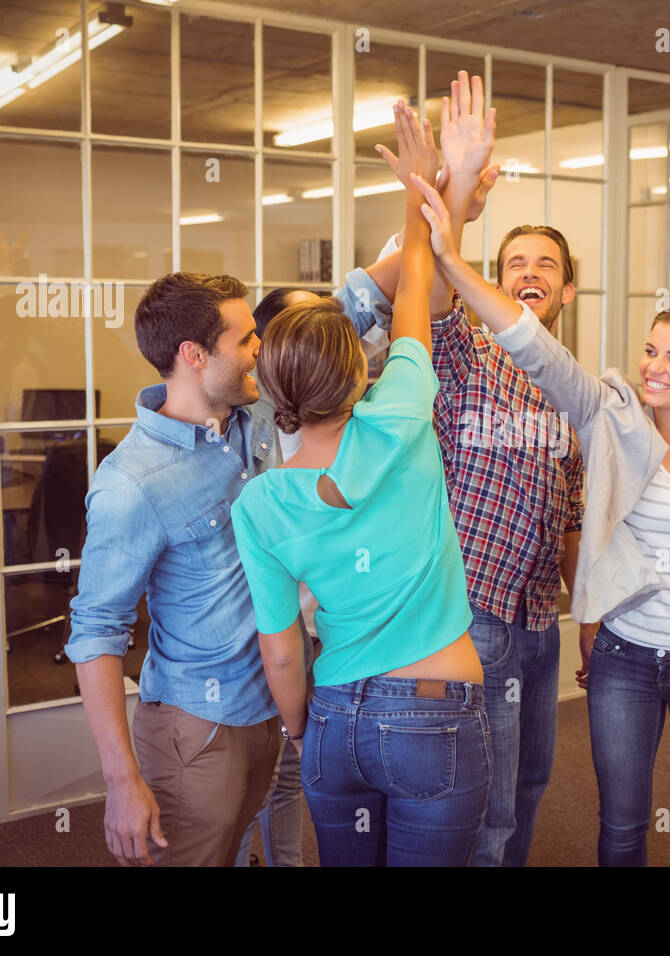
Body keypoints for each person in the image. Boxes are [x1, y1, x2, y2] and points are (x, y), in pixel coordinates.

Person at [413, 174, 670, 866]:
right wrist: (452, 244)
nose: (654, 367)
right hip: (502, 615)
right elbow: (511, 338)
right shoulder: (580, 401)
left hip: (572, 623)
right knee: (533, 811)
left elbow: (589, 517)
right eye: (651, 351)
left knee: (541, 784)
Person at [66, 259, 412, 867]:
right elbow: (95, 634)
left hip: (267, 711)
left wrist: (425, 211)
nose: (261, 348)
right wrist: (122, 781)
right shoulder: (131, 482)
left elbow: (349, 311)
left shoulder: (248, 415)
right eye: (246, 339)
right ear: (194, 355)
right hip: (196, 732)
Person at [230, 101, 490, 867]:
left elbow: (281, 649)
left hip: (334, 719)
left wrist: (307, 732)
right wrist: (422, 190)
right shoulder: (401, 408)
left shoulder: (260, 502)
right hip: (433, 713)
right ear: (358, 370)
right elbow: (416, 290)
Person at [373, 71, 587, 867]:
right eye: (515, 262)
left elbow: (568, 508)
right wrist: (452, 191)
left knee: (531, 786)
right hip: (475, 612)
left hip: (540, 619)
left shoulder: (572, 383)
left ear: (567, 288)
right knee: (487, 810)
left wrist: (586, 611)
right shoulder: (464, 350)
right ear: (496, 278)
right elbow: (427, 299)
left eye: (545, 265)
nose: (530, 272)